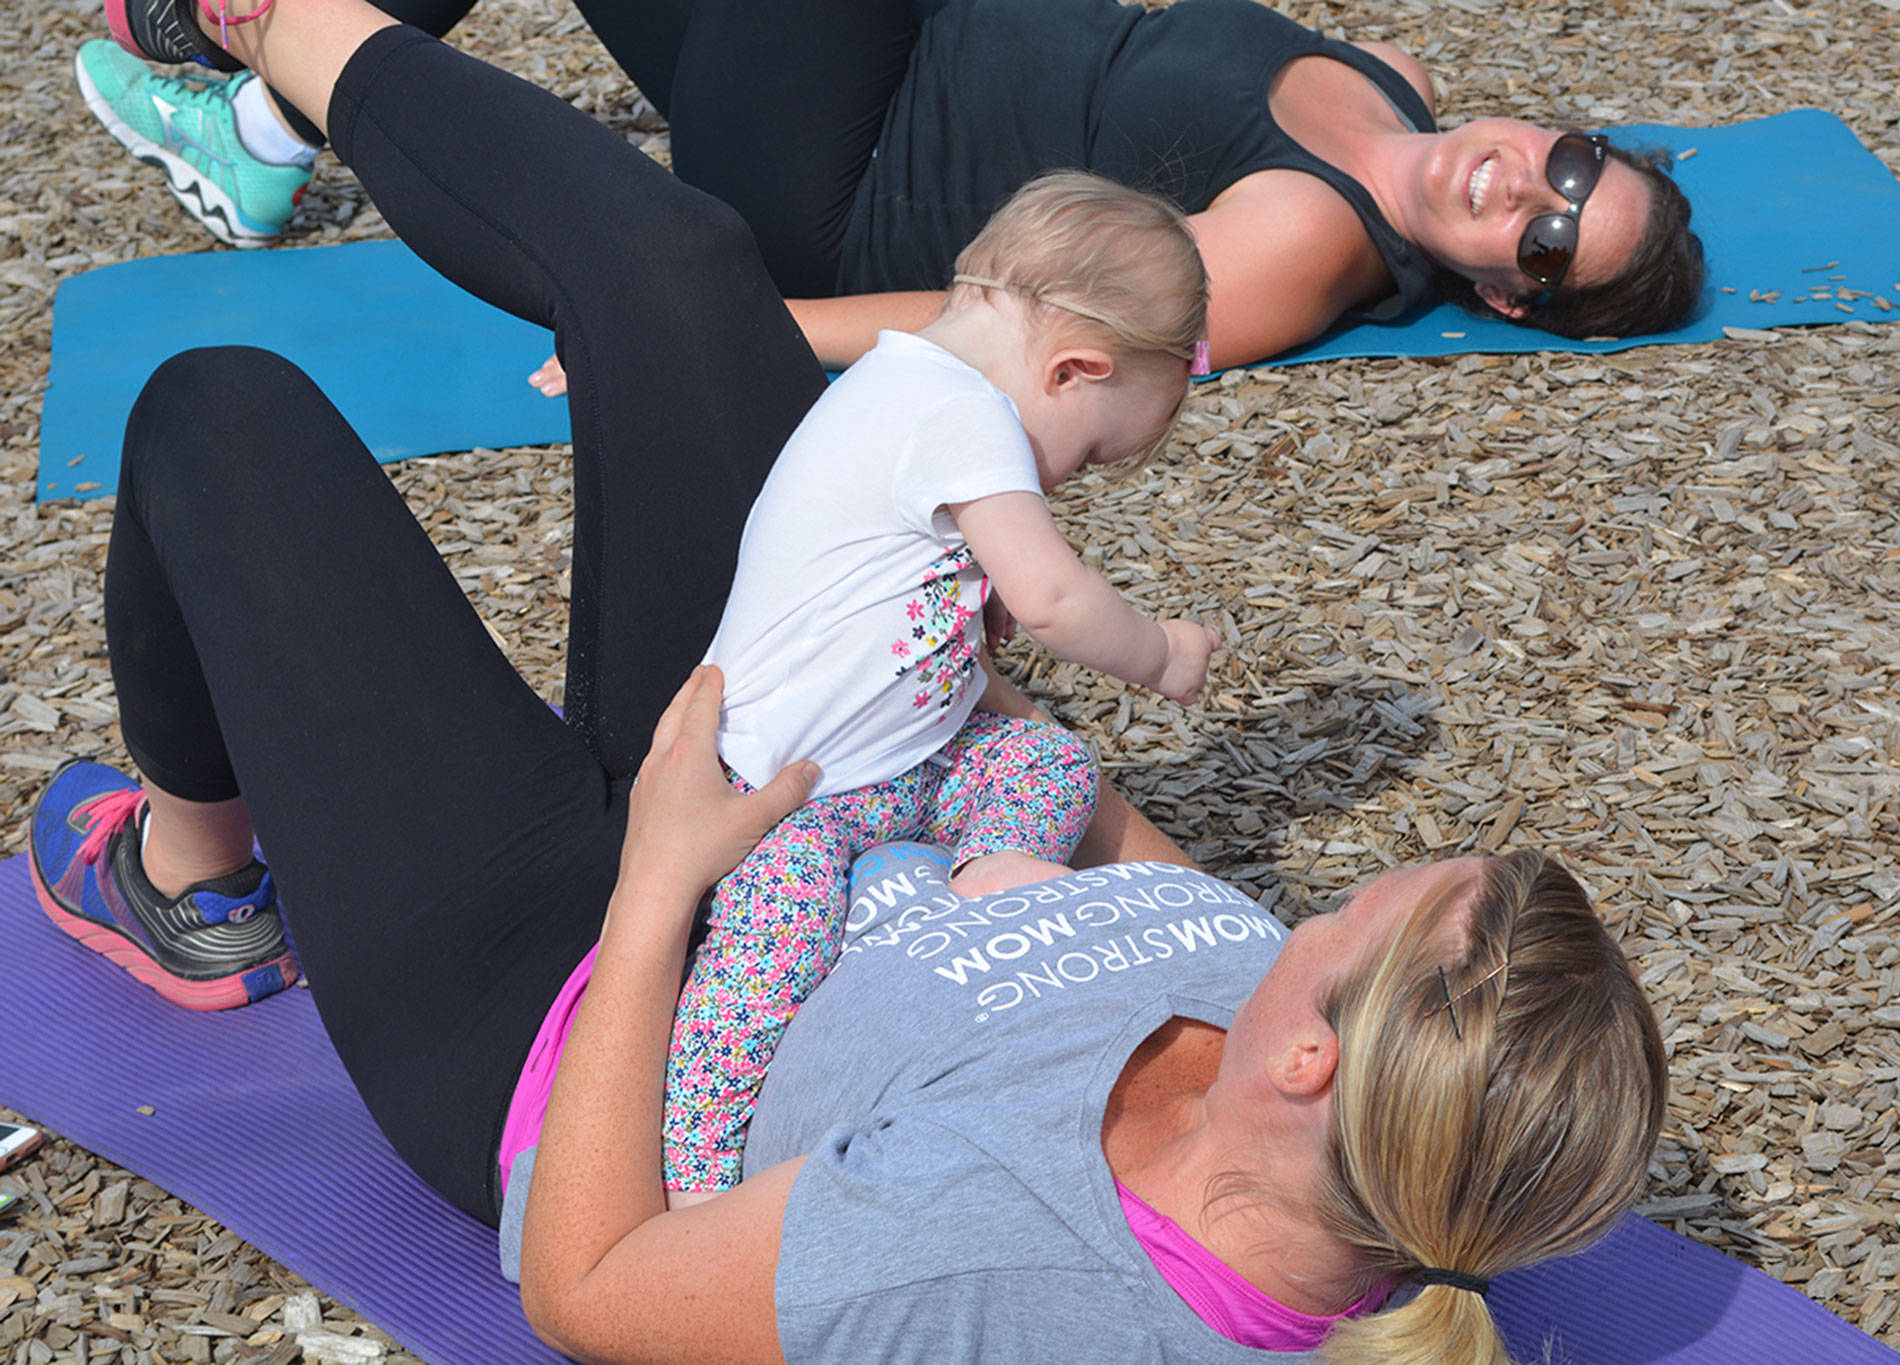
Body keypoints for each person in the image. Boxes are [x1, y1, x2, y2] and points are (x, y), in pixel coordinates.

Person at [33, 4, 1667, 1359]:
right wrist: (943, 667)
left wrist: (657, 884)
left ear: (1311, 1056)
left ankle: (187, 886)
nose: (1311, 910)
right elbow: (1098, 835)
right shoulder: (1298, 1042)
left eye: (1356, 911)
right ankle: (291, 27)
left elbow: (589, 1292)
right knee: (680, 270)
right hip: (804, 784)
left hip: (562, 995)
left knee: (221, 417)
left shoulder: (1008, 1244)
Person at [79, 0, 1703, 363]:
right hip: (873, 50)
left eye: (1545, 243)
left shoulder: (1308, 241)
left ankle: (249, 69)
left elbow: (1044, 325)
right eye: (1568, 169)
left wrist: (730, 330)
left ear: (1503, 295)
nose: (1523, 194)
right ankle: (266, 124)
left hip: (837, 174)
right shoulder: (1392, 84)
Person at [661, 170, 1219, 1192]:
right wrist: (1162, 655)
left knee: (1045, 761)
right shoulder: (960, 414)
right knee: (766, 957)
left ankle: (988, 874)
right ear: (1073, 369)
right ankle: (696, 1170)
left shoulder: (912, 382)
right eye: (1091, 453)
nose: (1063, 481)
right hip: (780, 795)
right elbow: (1055, 598)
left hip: (902, 766)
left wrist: (970, 595)